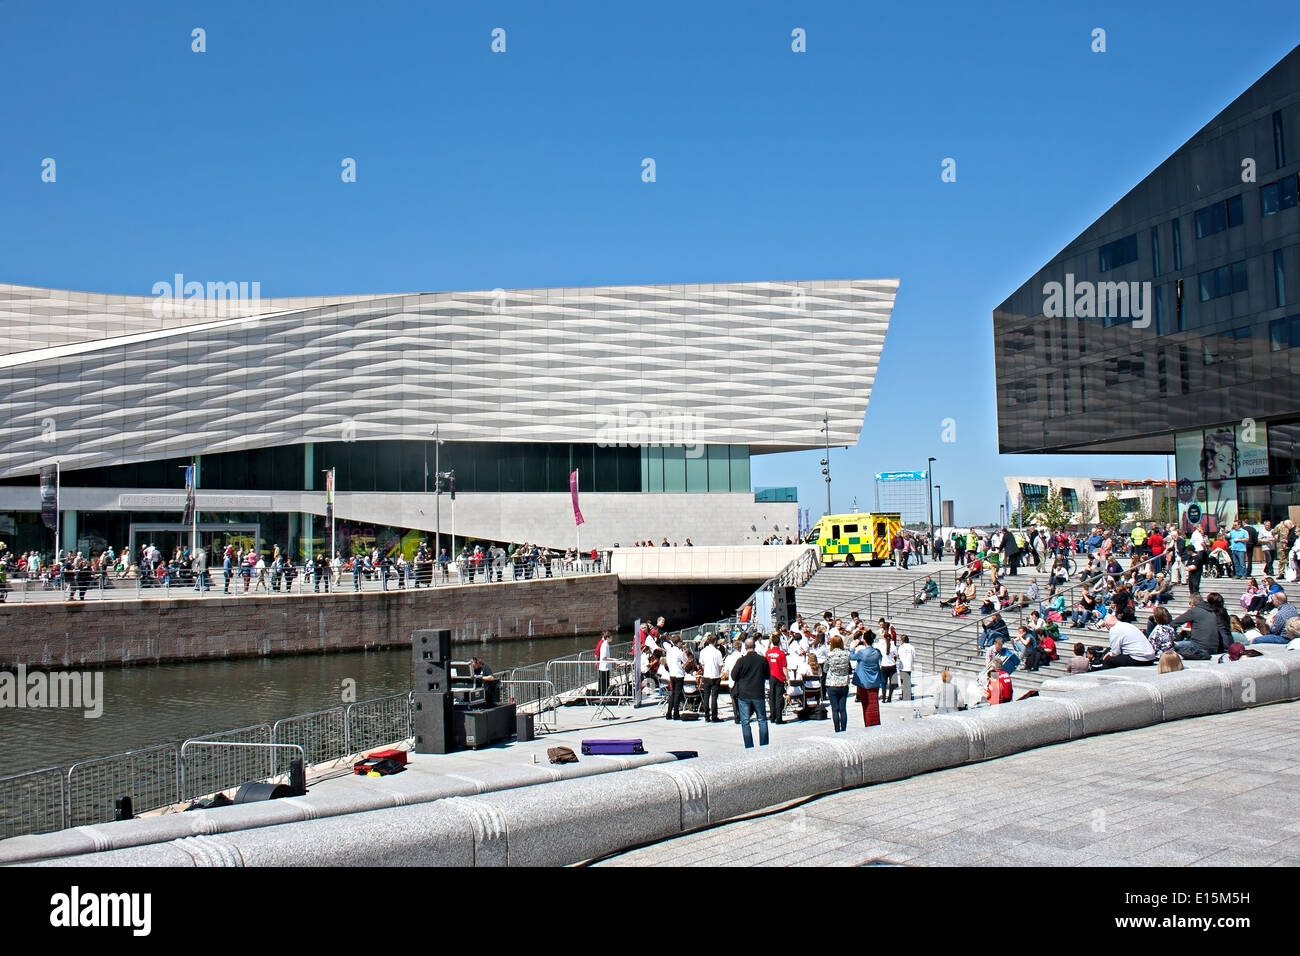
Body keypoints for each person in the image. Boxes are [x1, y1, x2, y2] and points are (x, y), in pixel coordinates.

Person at [730, 638, 770, 748]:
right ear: (754, 646)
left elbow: (733, 676)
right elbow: (767, 675)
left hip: (744, 694)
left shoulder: (741, 660)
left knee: (745, 722)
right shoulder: (762, 659)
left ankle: (749, 746)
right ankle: (764, 745)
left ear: (745, 647)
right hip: (758, 692)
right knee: (762, 720)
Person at [849, 631, 882, 727]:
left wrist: (852, 648)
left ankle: (868, 723)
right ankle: (876, 722)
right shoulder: (877, 652)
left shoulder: (861, 653)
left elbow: (851, 657)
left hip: (864, 682)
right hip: (875, 680)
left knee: (866, 704)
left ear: (865, 640)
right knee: (875, 703)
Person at [823, 634, 851, 732]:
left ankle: (837, 730)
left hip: (832, 684)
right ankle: (844, 730)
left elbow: (825, 669)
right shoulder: (847, 654)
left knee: (835, 709)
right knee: (843, 709)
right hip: (843, 683)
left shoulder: (829, 655)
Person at [699, 633, 723, 722]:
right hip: (715, 675)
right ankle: (714, 716)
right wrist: (719, 671)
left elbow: (702, 663)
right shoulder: (717, 652)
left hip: (706, 675)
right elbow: (720, 665)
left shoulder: (703, 651)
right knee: (714, 697)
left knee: (706, 696)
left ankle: (706, 716)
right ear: (715, 641)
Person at [765, 636, 788, 724]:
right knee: (779, 698)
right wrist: (787, 678)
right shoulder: (781, 653)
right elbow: (784, 667)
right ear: (779, 643)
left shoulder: (768, 653)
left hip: (771, 676)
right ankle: (779, 718)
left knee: (771, 697)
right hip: (779, 677)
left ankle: (772, 716)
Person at [722, 637, 745, 723]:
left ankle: (736, 717)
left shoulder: (729, 657)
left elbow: (726, 670)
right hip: (742, 681)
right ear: (740, 647)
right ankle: (743, 716)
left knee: (734, 699)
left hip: (732, 680)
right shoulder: (742, 657)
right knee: (742, 700)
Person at [665, 638, 686, 720]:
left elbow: (667, 662)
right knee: (677, 694)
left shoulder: (669, 651)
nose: (682, 644)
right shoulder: (679, 652)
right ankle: (676, 713)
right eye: (681, 642)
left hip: (672, 673)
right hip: (679, 674)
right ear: (677, 643)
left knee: (672, 694)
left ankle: (669, 713)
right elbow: (685, 661)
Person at [896, 635, 915, 701]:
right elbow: (914, 656)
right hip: (909, 665)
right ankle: (908, 695)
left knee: (903, 681)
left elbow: (898, 655)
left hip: (902, 666)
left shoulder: (901, 647)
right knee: (908, 680)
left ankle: (904, 695)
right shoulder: (912, 647)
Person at [595, 630, 612, 698]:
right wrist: (613, 659)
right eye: (611, 637)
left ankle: (605, 693)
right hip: (603, 666)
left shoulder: (606, 644)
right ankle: (603, 694)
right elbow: (603, 657)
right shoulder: (604, 644)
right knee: (603, 681)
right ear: (607, 637)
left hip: (606, 666)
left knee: (606, 680)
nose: (612, 638)